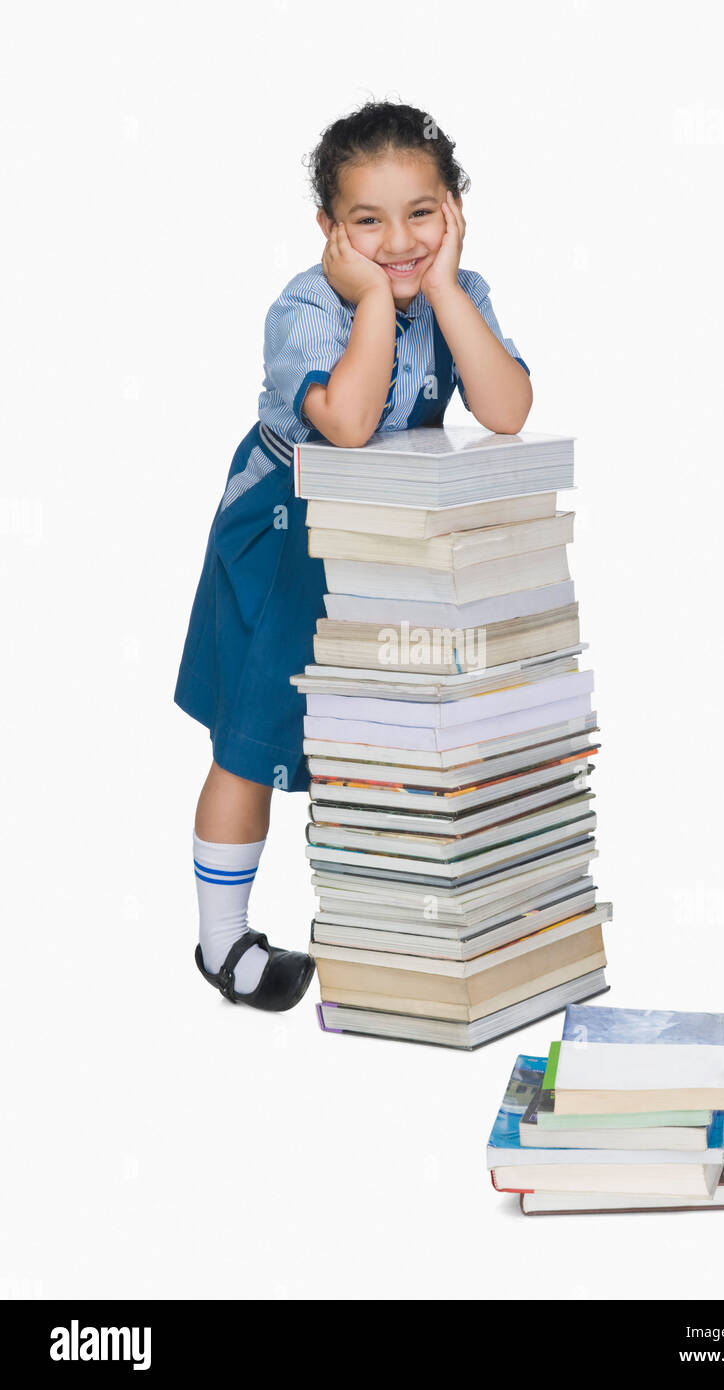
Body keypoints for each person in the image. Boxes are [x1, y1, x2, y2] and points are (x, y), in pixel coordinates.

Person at [175, 100, 533, 1012]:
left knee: (385, 729)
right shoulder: (305, 306)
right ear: (330, 230)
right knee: (255, 737)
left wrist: (446, 290)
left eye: (421, 212)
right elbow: (347, 423)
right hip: (286, 534)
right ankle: (224, 943)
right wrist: (374, 299)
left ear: (453, 210)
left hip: (384, 529)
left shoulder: (464, 290)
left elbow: (507, 409)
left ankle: (395, 928)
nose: (398, 240)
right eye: (367, 222)